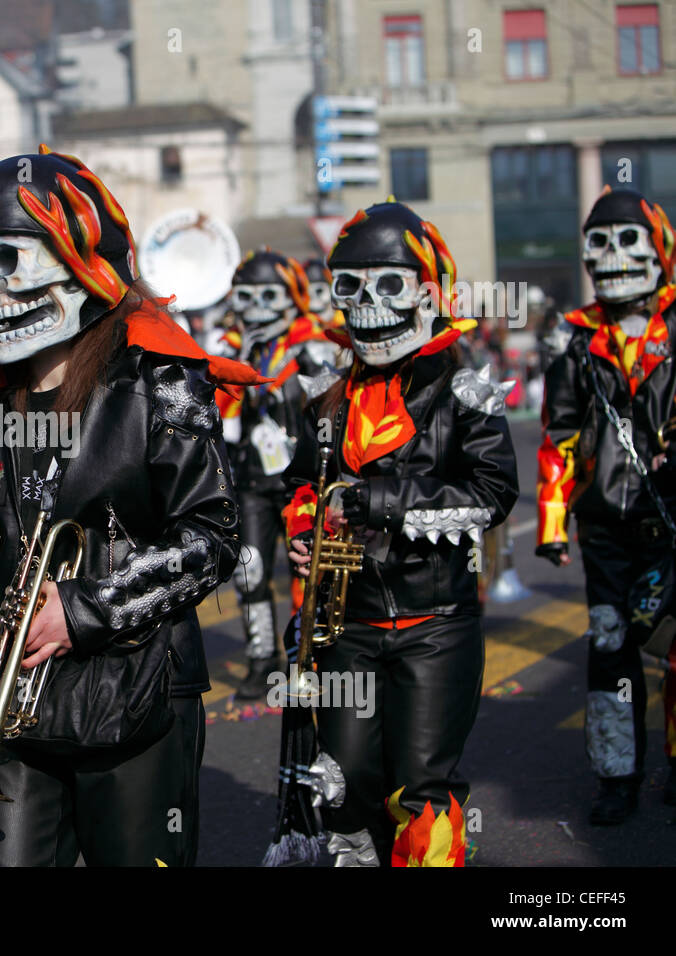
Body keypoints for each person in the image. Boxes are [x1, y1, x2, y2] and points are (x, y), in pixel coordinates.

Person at [0, 147, 262, 866]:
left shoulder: (160, 378)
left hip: (133, 691)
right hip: (11, 703)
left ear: (81, 261)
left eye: (9, 261)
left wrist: (84, 609)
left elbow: (213, 535)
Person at [282, 200, 518, 866]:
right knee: (343, 783)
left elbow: (493, 494)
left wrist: (379, 501)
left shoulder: (466, 388)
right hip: (348, 624)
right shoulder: (325, 391)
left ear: (427, 291)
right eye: (348, 286)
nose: (367, 304)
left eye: (389, 284)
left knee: (420, 787)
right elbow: (304, 485)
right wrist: (305, 531)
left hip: (435, 622)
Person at [537, 186, 676, 823]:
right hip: (604, 526)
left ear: (660, 250)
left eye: (629, 241)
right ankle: (616, 778)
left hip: (672, 523)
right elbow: (558, 435)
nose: (613, 256)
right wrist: (554, 522)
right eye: (600, 243)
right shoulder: (574, 343)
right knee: (611, 644)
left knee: (675, 645)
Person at [220, 248, 338, 700]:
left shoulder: (315, 343)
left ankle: (305, 656)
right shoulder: (234, 348)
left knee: (306, 571)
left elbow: (330, 407)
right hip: (251, 481)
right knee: (249, 572)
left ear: (293, 298)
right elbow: (222, 419)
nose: (258, 308)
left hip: (300, 482)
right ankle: (260, 659)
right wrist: (237, 369)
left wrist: (311, 364)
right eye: (246, 297)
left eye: (269, 295)